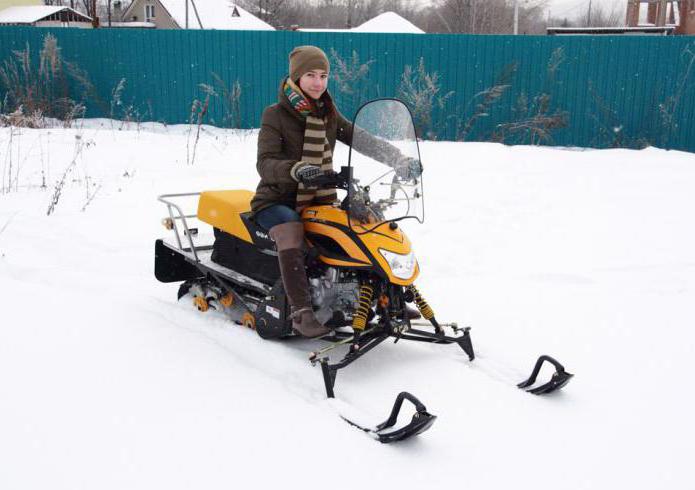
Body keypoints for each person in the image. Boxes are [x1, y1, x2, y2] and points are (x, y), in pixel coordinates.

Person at [251, 45, 421, 338]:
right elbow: (265, 163)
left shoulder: (328, 113)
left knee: (364, 222)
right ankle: (302, 312)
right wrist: (296, 169)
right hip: (278, 199)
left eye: (323, 75)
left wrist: (398, 159)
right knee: (291, 228)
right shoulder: (275, 114)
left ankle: (387, 298)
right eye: (311, 75)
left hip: (320, 197)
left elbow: (361, 138)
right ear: (296, 78)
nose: (318, 82)